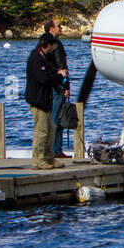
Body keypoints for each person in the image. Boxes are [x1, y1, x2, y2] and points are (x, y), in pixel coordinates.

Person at [26, 33, 67, 170]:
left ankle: (49, 157)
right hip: (38, 100)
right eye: (53, 45)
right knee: (41, 131)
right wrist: (58, 76)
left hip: (46, 99)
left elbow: (49, 75)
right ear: (48, 45)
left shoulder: (44, 58)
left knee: (51, 129)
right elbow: (43, 78)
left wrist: (59, 79)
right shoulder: (35, 58)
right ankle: (38, 160)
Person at [44, 19, 70, 156]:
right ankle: (55, 150)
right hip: (57, 86)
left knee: (54, 117)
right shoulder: (56, 45)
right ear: (51, 29)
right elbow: (62, 67)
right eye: (58, 26)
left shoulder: (45, 47)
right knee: (57, 117)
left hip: (50, 85)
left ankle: (54, 149)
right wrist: (66, 86)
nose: (61, 28)